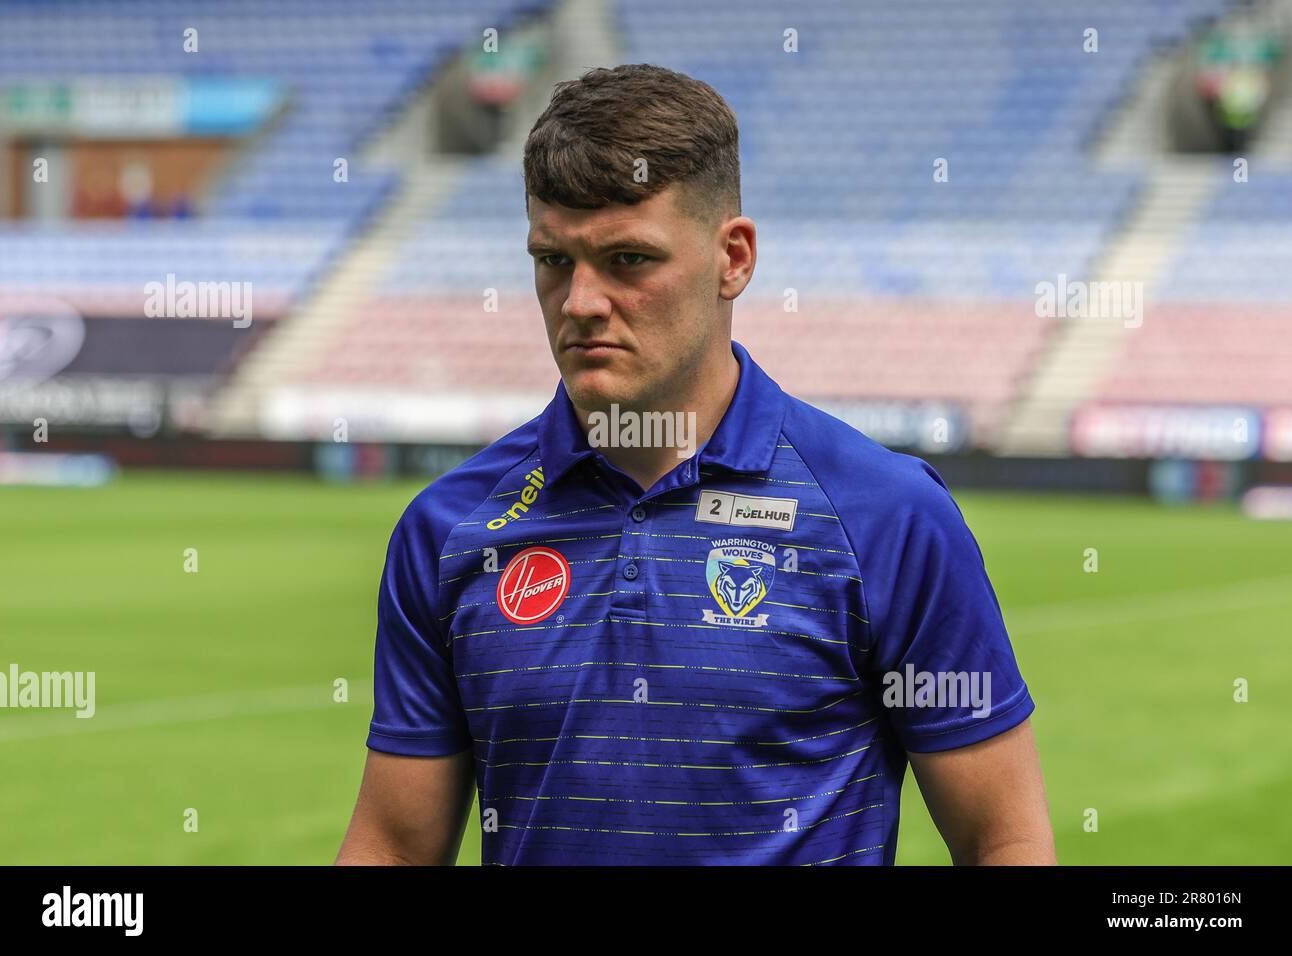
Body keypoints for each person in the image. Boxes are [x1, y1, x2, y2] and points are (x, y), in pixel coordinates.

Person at [336, 63, 1055, 866]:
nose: (580, 301)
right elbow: (394, 850)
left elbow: (1006, 841)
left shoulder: (886, 516)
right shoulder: (449, 528)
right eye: (553, 260)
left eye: (630, 261)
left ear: (734, 258)